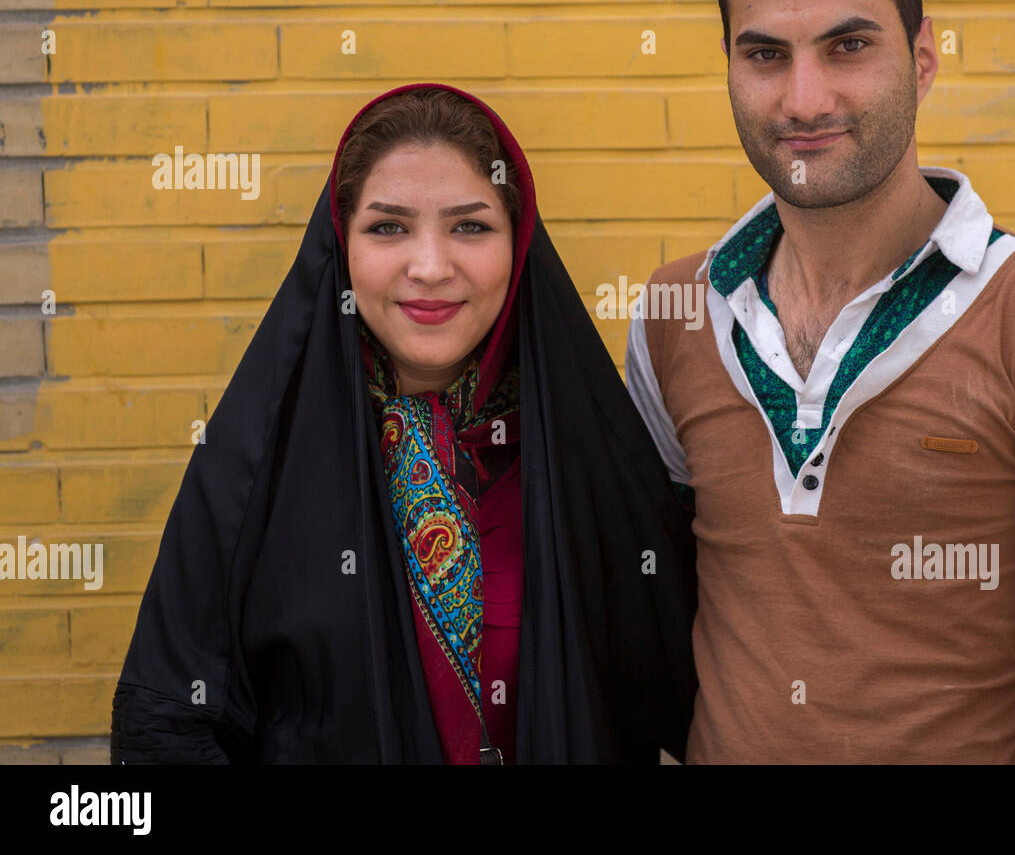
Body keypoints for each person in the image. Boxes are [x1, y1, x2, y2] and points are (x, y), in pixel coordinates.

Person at [626, 0, 1015, 763]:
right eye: (765, 54)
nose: (804, 100)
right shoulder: (673, 315)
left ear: (921, 58)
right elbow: (657, 618)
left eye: (847, 46)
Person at [110, 83, 698, 764]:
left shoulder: (586, 457)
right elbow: (168, 727)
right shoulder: (251, 474)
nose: (429, 267)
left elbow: (688, 692)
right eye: (387, 226)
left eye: (470, 226)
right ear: (341, 246)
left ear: (519, 244)